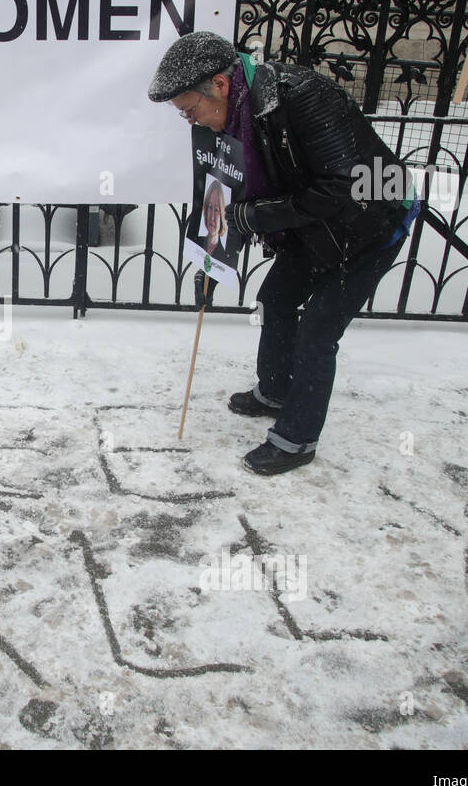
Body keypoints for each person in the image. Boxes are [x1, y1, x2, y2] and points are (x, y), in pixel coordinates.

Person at [148, 32, 419, 475]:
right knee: (276, 300)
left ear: (218, 84)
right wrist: (216, 244)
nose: (192, 121)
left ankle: (297, 439)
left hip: (372, 222)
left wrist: (257, 217)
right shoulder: (234, 117)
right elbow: (237, 189)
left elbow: (343, 186)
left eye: (190, 110)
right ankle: (275, 391)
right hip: (312, 225)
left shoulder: (306, 98)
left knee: (317, 329)